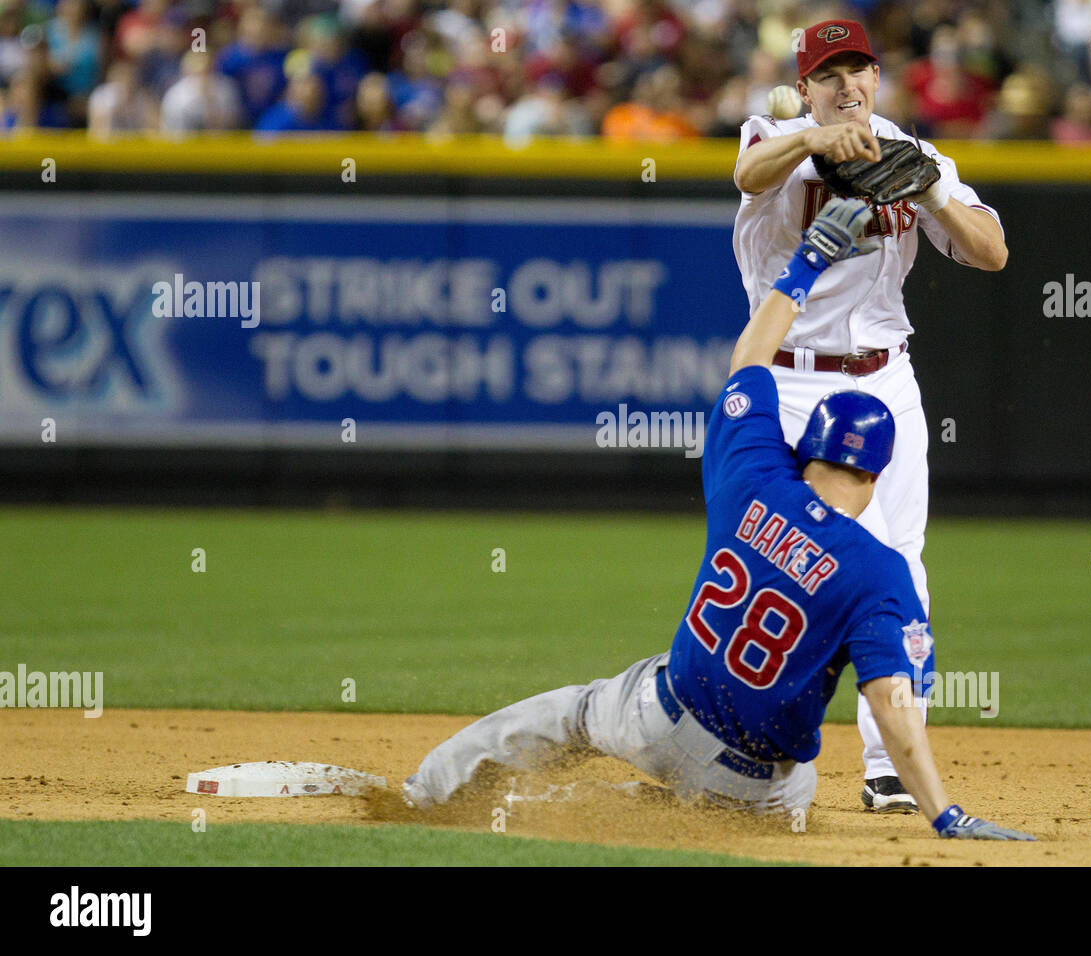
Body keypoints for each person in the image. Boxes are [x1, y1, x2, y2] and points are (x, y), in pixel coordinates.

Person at [402, 197, 1034, 842]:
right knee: (796, 795)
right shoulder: (881, 574)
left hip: (658, 717)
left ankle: (426, 795)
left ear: (805, 445)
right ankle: (647, 813)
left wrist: (807, 263)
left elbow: (751, 361)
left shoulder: (752, 477)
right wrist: (945, 815)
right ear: (877, 475)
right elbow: (892, 706)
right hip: (753, 784)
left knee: (579, 715)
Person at [731, 19, 1007, 814]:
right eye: (829, 74)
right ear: (807, 86)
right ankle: (753, 746)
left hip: (884, 380)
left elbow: (992, 253)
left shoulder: (913, 154)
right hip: (786, 380)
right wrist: (816, 141)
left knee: (902, 564)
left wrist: (927, 190)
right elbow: (751, 173)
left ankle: (891, 761)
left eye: (858, 71)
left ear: (877, 77)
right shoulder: (774, 135)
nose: (846, 85)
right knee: (784, 561)